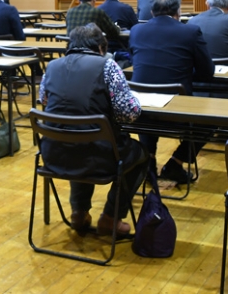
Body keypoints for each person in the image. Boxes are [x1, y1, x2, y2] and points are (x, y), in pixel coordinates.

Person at [38, 23, 148, 236]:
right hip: (100, 158)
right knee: (141, 155)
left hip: (52, 154)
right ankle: (111, 218)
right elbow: (129, 113)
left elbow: (43, 99)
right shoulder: (107, 66)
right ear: (100, 47)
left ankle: (78, 213)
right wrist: (132, 97)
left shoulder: (51, 66)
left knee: (74, 139)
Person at [128, 0, 214, 184]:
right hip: (177, 114)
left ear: (152, 11)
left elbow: (136, 61)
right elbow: (207, 72)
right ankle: (175, 163)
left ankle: (148, 163)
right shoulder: (190, 31)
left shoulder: (136, 30)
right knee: (211, 120)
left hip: (139, 111)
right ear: (178, 11)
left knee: (148, 97)